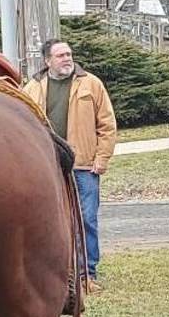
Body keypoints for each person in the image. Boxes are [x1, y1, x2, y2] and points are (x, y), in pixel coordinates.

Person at [24, 39, 118, 291]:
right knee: (50, 220)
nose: (67, 59)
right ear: (47, 61)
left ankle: (87, 274)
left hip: (84, 165)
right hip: (47, 166)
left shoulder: (91, 84)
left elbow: (107, 125)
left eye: (69, 54)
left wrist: (102, 158)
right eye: (61, 55)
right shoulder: (33, 88)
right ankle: (55, 274)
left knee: (86, 218)